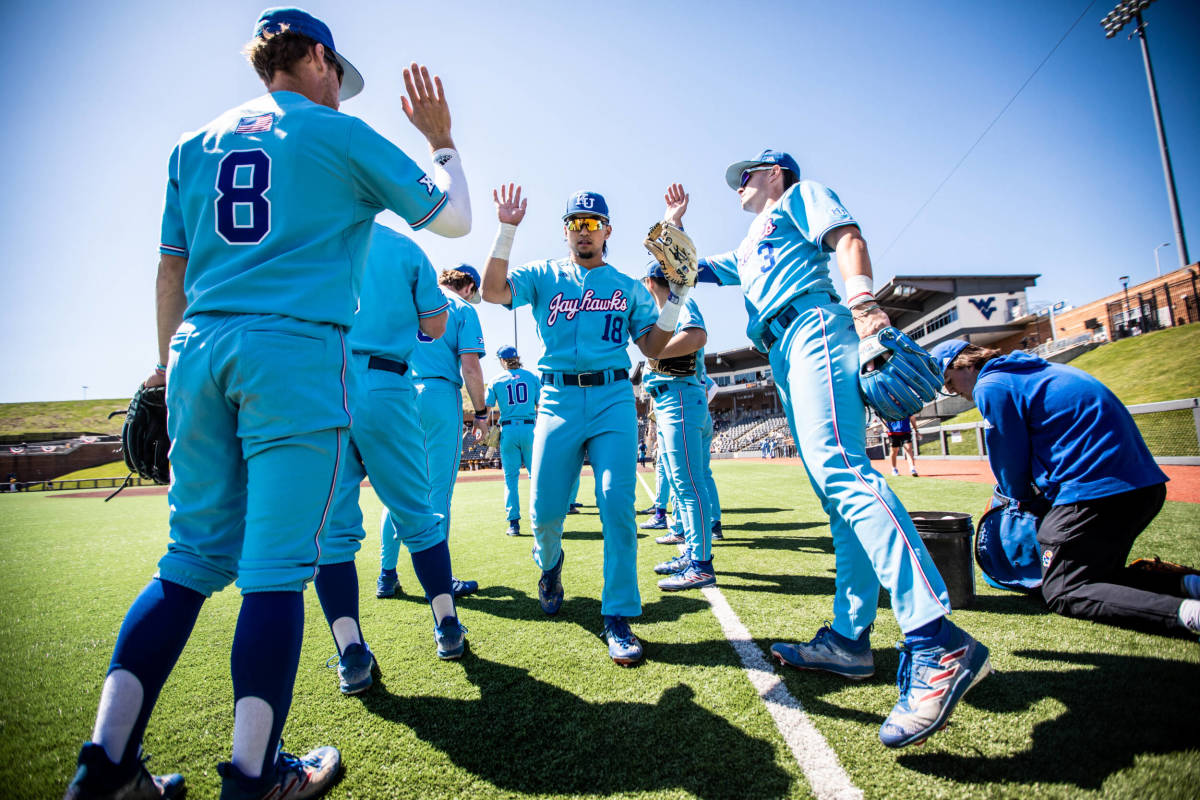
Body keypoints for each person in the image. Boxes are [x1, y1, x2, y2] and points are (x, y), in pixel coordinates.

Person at [63, 9, 471, 799]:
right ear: (315, 56)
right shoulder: (333, 133)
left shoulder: (193, 142)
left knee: (185, 562)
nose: (341, 96)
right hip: (291, 353)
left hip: (197, 351)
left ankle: (106, 766)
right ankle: (254, 778)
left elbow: (169, 275)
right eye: (337, 78)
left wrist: (159, 375)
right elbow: (452, 217)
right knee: (278, 571)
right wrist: (442, 139)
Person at [668, 152, 990, 748]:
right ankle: (849, 639)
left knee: (843, 472)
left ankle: (936, 639)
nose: (739, 183)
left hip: (814, 322)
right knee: (835, 496)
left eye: (748, 173)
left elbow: (847, 237)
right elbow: (692, 271)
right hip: (781, 345)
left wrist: (864, 303)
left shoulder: (798, 195)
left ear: (776, 173)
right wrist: (674, 227)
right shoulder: (748, 242)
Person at [480, 185, 676, 665]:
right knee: (545, 513)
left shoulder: (627, 285)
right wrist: (506, 230)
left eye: (592, 224)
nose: (583, 231)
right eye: (575, 223)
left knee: (616, 505)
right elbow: (490, 291)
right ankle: (550, 566)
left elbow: (652, 348)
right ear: (566, 230)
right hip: (556, 397)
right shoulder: (545, 274)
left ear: (608, 230)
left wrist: (678, 297)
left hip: (611, 397)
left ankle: (619, 614)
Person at [932, 339, 1200, 637]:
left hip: (1096, 491)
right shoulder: (1034, 371)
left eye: (948, 381)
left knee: (1064, 589)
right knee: (1096, 576)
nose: (952, 391)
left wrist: (1018, 502)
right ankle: (1190, 585)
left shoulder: (991, 385)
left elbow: (1009, 463)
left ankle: (1190, 615)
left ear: (967, 364)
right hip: (1141, 488)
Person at [316, 223, 470, 698]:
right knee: (419, 516)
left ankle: (352, 653)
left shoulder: (310, 232)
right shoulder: (403, 247)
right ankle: (446, 625)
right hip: (386, 383)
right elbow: (435, 324)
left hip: (322, 386)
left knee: (332, 533)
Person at [381, 266, 488, 599]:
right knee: (438, 492)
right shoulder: (462, 308)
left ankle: (387, 575)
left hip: (399, 392)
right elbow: (470, 366)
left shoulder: (408, 298)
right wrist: (481, 413)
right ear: (468, 286)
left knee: (398, 490)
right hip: (439, 395)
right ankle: (441, 581)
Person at [640, 262, 717, 591]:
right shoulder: (666, 310)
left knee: (688, 484)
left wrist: (657, 353)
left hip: (681, 396)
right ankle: (691, 552)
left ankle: (701, 564)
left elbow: (697, 335)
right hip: (675, 398)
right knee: (680, 481)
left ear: (649, 282)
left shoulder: (679, 303)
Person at [485, 345, 540, 536]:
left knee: (511, 479)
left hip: (508, 429)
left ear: (502, 360)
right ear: (518, 357)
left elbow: (487, 409)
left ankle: (514, 524)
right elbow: (541, 405)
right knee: (536, 477)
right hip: (530, 428)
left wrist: (486, 432)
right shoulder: (532, 377)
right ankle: (539, 519)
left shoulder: (496, 380)